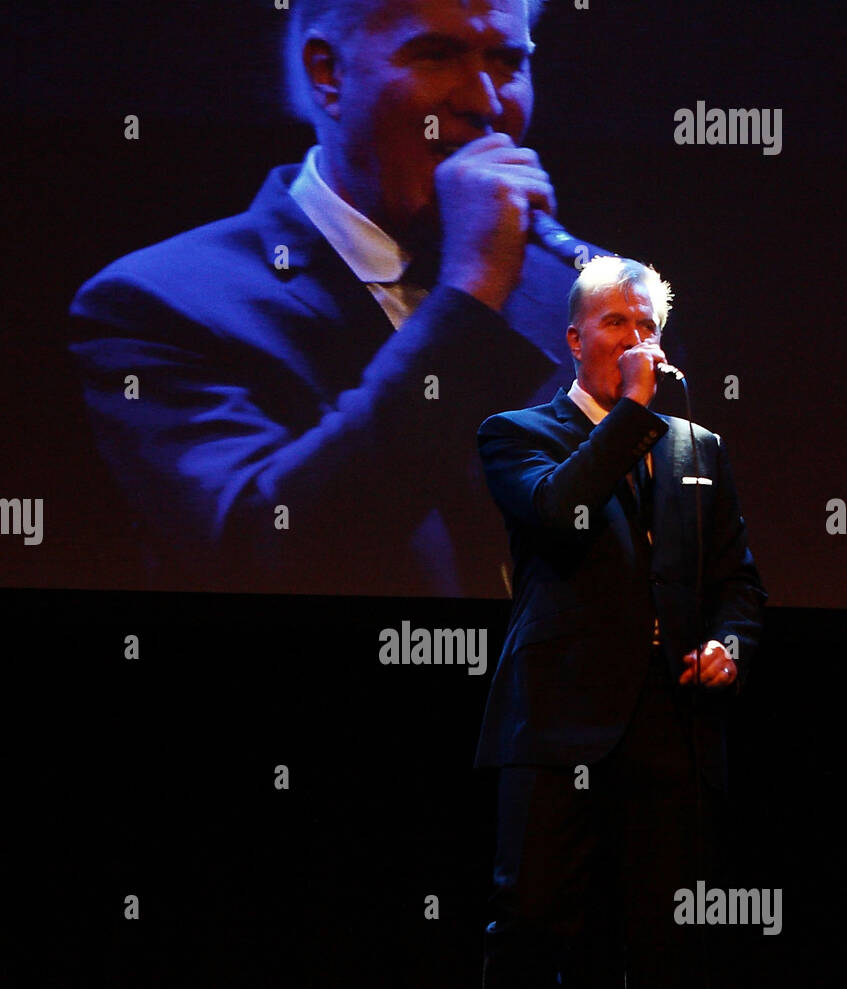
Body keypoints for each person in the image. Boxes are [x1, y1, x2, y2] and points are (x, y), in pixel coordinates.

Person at [68, 0, 606, 597]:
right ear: (329, 75)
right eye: (436, 55)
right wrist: (471, 295)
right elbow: (266, 555)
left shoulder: (584, 290)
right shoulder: (157, 305)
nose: (484, 102)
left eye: (508, 61)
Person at [465, 254, 767, 989]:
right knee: (525, 939)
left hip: (667, 736)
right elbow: (557, 514)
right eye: (615, 322)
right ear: (572, 339)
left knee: (670, 959)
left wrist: (728, 644)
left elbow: (737, 584)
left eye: (649, 323)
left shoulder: (698, 448)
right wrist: (631, 415)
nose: (636, 338)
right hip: (556, 728)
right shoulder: (517, 433)